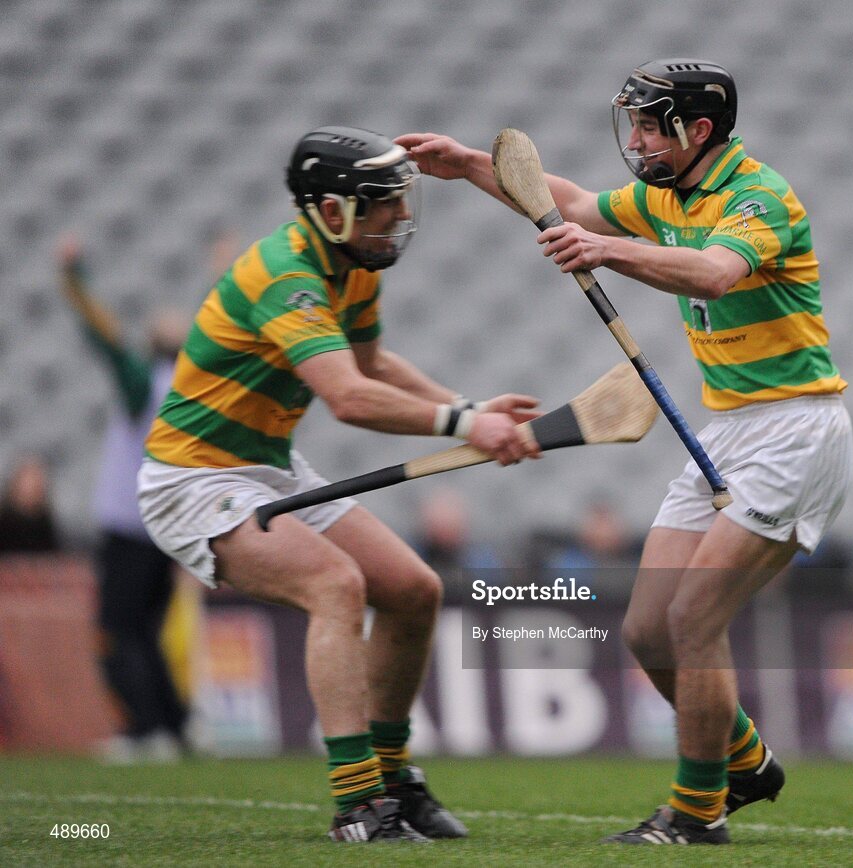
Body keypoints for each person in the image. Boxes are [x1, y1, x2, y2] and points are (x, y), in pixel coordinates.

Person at [398, 57, 853, 845]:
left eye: (649, 126)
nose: (635, 141)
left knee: (692, 617)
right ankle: (746, 761)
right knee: (648, 630)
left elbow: (712, 274)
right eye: (634, 124)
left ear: (698, 130)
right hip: (729, 429)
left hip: (794, 431)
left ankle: (696, 813)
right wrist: (469, 164)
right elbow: (568, 204)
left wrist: (607, 251)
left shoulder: (757, 197)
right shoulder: (663, 196)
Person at [137, 125, 542, 844]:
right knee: (335, 586)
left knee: (414, 590)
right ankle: (358, 803)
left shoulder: (354, 262)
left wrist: (471, 408)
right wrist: (463, 424)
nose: (402, 214)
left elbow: (373, 364)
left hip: (269, 466)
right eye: (387, 202)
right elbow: (349, 398)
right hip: (193, 477)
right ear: (331, 210)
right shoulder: (285, 275)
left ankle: (393, 777)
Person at [57, 241, 193, 762]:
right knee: (148, 633)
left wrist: (74, 276)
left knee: (117, 632)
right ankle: (175, 727)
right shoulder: (189, 386)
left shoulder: (144, 382)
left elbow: (107, 339)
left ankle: (144, 728)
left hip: (129, 527)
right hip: (165, 528)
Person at [0, 453, 59, 553]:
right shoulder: (4, 524)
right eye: (27, 482)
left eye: (36, 482)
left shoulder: (46, 525)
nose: (31, 487)